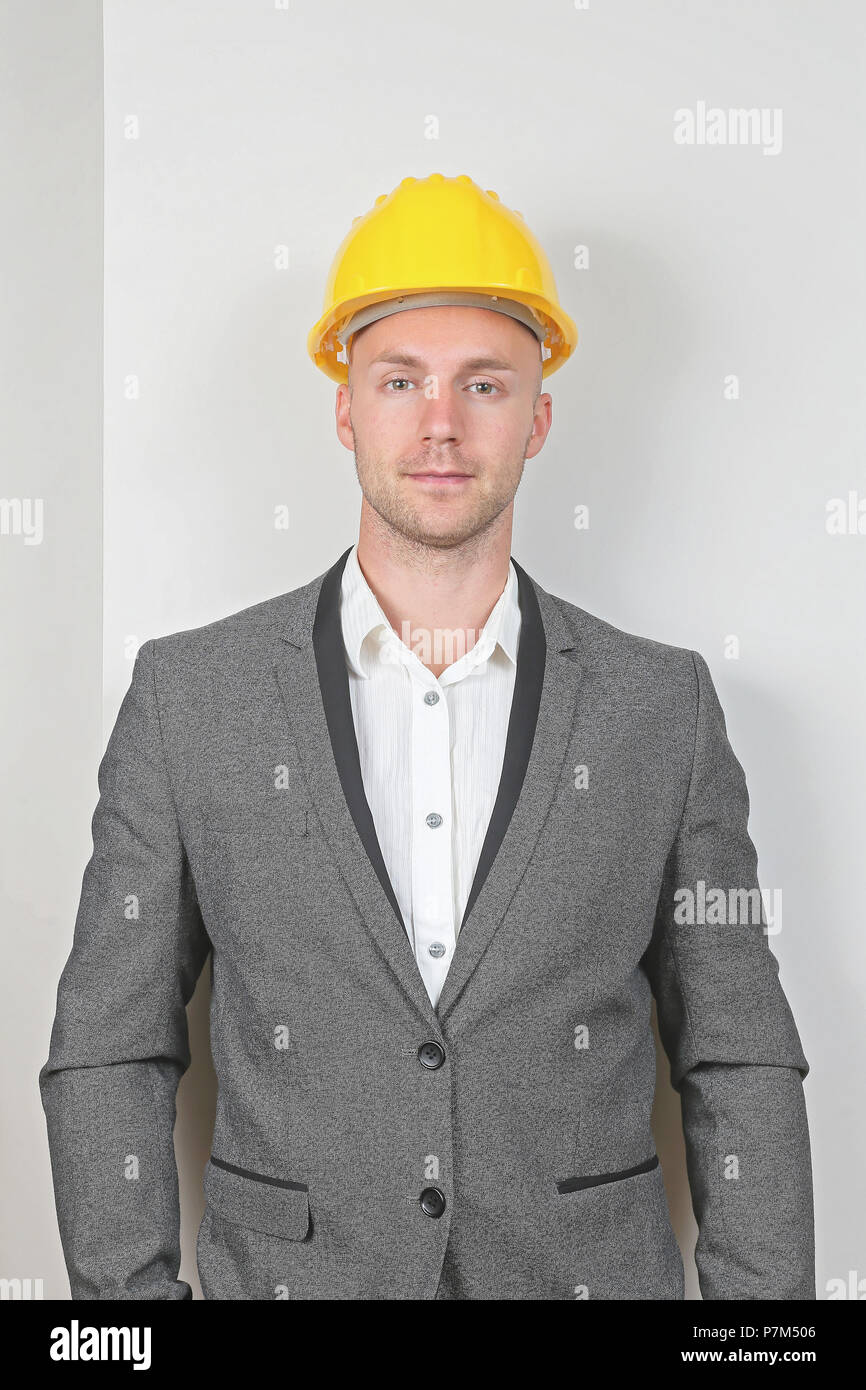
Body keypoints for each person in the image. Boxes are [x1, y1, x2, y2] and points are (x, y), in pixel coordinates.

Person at [39, 172, 814, 1300]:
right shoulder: (186, 699)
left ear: (538, 415)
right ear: (343, 406)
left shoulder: (665, 709)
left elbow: (738, 1049)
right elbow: (108, 1046)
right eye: (399, 380)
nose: (439, 424)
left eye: (483, 384)